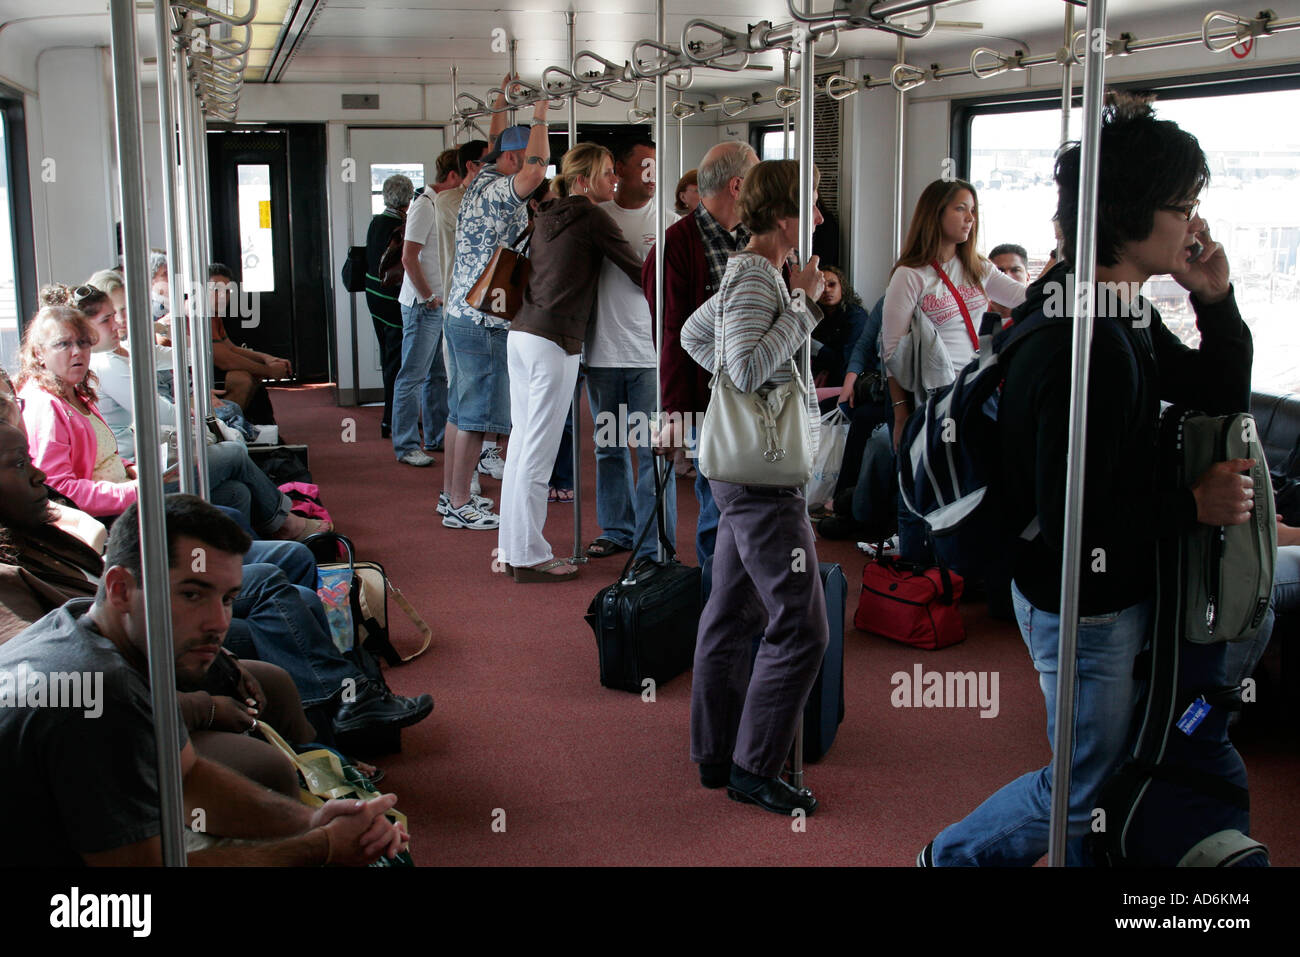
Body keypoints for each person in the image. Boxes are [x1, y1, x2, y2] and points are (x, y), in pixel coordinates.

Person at [920, 99, 1255, 867]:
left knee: (1102, 778)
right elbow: (1073, 517)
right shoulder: (1086, 344)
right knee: (1082, 786)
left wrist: (1215, 297)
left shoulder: (1114, 305)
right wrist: (1189, 504)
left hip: (1108, 583)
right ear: (1132, 213)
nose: (1192, 225)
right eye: (1183, 207)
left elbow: (1213, 391)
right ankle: (950, 858)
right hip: (1082, 602)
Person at [0, 492, 408, 865]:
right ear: (121, 588)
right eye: (192, 594)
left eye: (228, 598)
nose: (219, 623)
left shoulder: (82, 625)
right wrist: (323, 846)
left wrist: (312, 820)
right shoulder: (100, 692)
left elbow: (188, 775)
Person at [679, 159, 829, 816]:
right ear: (787, 216)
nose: (821, 219)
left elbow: (695, 337)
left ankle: (718, 753)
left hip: (740, 471)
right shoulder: (759, 280)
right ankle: (754, 765)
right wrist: (801, 306)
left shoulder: (750, 273)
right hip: (760, 478)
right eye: (814, 207)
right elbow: (743, 370)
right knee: (801, 625)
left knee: (732, 610)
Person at [18, 300, 325, 540]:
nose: (77, 353)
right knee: (232, 453)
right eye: (64, 344)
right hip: (117, 510)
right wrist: (138, 488)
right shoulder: (47, 406)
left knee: (236, 492)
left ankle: (248, 559)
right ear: (39, 353)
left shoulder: (76, 392)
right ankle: (283, 527)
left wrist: (136, 470)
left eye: (83, 343)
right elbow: (60, 492)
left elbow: (106, 457)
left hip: (132, 486)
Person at [498, 144, 643, 582]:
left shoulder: (547, 212)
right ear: (582, 180)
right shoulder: (593, 216)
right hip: (555, 341)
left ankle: (513, 548)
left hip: (522, 334)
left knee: (522, 447)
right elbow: (639, 272)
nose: (613, 181)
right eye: (605, 174)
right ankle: (529, 556)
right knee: (538, 454)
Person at [881, 178, 1028, 565]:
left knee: (974, 478)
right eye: (960, 208)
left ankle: (965, 567)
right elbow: (891, 352)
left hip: (975, 392)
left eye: (973, 210)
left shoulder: (976, 267)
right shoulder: (910, 275)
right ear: (936, 213)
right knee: (920, 486)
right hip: (931, 400)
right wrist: (900, 414)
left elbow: (1024, 298)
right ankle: (917, 574)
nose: (970, 218)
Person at [440, 84, 550, 530]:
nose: (531, 164)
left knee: (457, 410)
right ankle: (461, 502)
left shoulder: (480, 178)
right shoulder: (504, 190)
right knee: (474, 415)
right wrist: (541, 110)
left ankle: (451, 496)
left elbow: (496, 140)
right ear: (513, 160)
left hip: (460, 310)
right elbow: (538, 171)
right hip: (484, 317)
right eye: (525, 156)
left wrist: (505, 103)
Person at [644, 141, 759, 567]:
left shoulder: (756, 238)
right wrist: (676, 412)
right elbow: (671, 336)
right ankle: (718, 610)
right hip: (708, 399)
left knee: (752, 506)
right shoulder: (674, 248)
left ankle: (741, 603)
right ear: (737, 185)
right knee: (718, 507)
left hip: (757, 394)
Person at [584, 137, 677, 562]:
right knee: (609, 448)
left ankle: (653, 544)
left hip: (649, 358)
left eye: (656, 166)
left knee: (653, 450)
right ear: (618, 169)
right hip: (602, 352)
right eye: (643, 165)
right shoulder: (596, 216)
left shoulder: (670, 222)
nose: (651, 175)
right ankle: (617, 530)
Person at [391, 171, 449, 467]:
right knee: (412, 376)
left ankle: (437, 436)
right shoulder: (425, 204)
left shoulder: (444, 203)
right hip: (422, 305)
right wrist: (427, 296)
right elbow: (408, 257)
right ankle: (406, 444)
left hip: (439, 303)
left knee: (438, 375)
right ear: (455, 173)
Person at [208, 262, 291, 423]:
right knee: (243, 379)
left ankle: (240, 427)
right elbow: (225, 360)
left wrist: (267, 358)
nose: (222, 296)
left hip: (208, 370)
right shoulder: (200, 313)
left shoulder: (214, 314)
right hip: (189, 378)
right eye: (215, 290)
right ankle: (223, 431)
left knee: (252, 374)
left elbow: (231, 348)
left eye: (227, 291)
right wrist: (269, 370)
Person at [365, 174, 414, 439]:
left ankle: (392, 418)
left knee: (388, 360)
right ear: (408, 199)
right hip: (392, 301)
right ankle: (392, 421)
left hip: (373, 297)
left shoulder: (376, 222)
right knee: (397, 364)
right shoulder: (401, 227)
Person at [988, 242, 1030, 319]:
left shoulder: (1039, 317)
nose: (1007, 276)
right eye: (999, 272)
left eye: (1015, 270)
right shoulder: (974, 315)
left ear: (1027, 277)